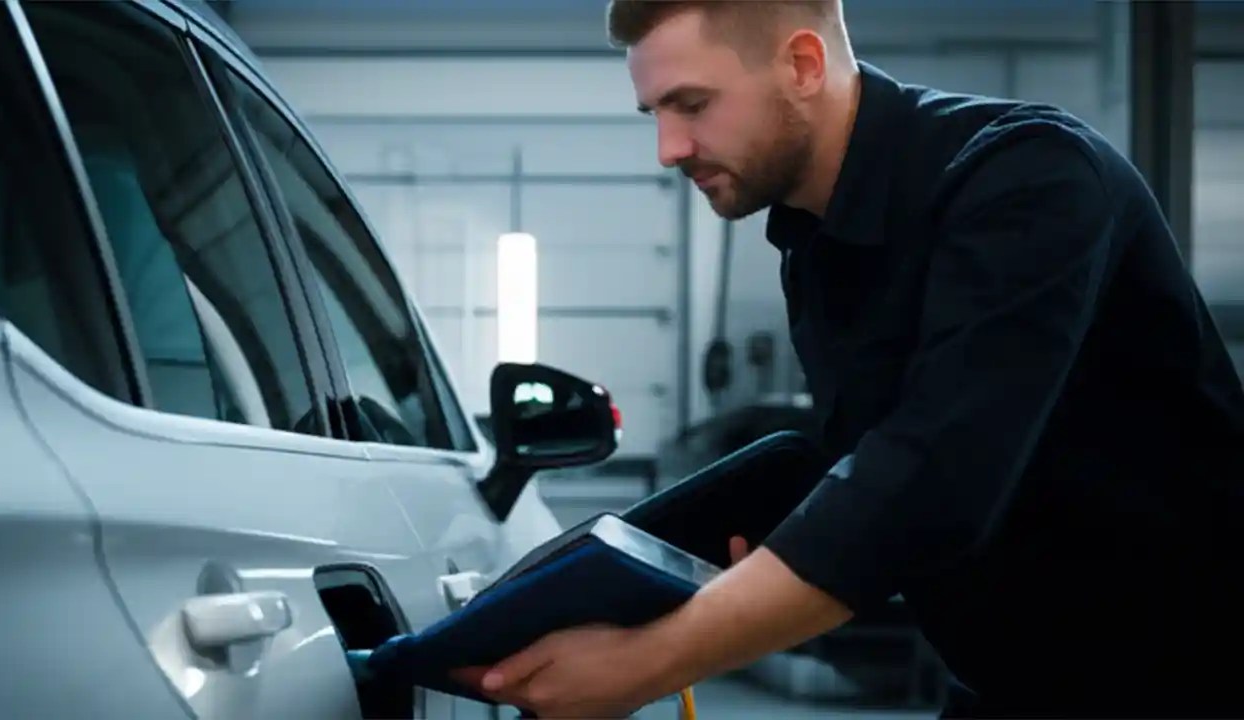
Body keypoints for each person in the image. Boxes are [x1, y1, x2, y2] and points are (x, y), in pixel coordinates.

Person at [453, 1, 1244, 717]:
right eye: (653, 111)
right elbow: (852, 468)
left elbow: (929, 481)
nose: (668, 148)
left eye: (692, 104)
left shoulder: (1029, 178)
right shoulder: (815, 244)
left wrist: (643, 665)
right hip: (1021, 684)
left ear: (802, 64)